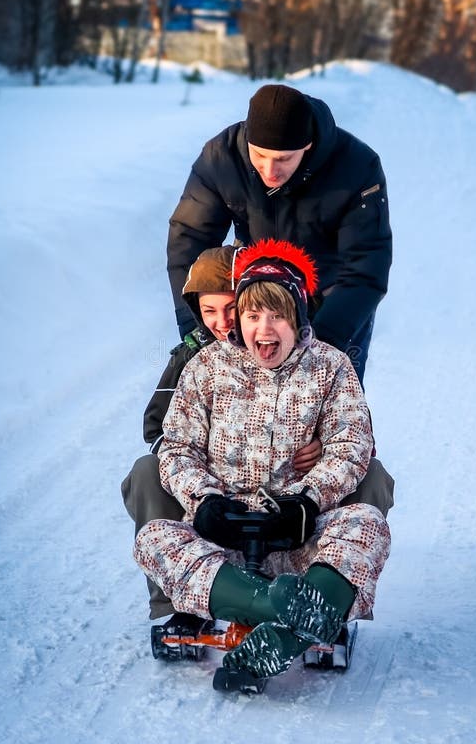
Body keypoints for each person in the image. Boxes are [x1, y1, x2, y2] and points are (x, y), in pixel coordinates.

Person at [134, 239, 391, 681]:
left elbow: (351, 444)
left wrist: (308, 501)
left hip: (297, 538)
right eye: (253, 316)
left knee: (366, 525)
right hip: (223, 542)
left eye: (277, 316)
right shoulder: (206, 367)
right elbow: (177, 447)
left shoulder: (330, 367)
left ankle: (282, 637)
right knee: (154, 539)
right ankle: (288, 614)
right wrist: (206, 500)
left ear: (297, 318)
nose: (264, 329)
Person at [121, 245, 324, 622]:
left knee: (367, 476)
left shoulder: (302, 349)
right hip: (209, 489)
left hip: (286, 491)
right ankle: (182, 599)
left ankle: (321, 594)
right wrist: (200, 473)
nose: (221, 321)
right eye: (209, 311)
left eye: (232, 308)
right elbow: (160, 429)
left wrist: (318, 443)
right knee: (146, 471)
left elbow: (349, 430)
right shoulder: (191, 358)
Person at [166, 83, 393, 386]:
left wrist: (321, 344)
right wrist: (196, 321)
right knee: (245, 401)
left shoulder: (357, 167)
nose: (270, 170)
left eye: (284, 159)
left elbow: (366, 266)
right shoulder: (222, 158)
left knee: (332, 399)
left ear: (307, 146)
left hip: (331, 299)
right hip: (254, 299)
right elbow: (189, 239)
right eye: (260, 155)